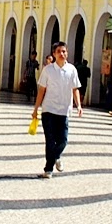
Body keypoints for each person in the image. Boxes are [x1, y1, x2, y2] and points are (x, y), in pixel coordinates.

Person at [31, 40, 82, 178]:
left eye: (64, 51)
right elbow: (41, 90)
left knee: (63, 140)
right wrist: (36, 109)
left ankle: (56, 157)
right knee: (50, 140)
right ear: (54, 54)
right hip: (48, 110)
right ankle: (48, 170)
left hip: (64, 110)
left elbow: (75, 89)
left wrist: (79, 105)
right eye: (59, 51)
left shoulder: (72, 70)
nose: (62, 54)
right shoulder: (48, 70)